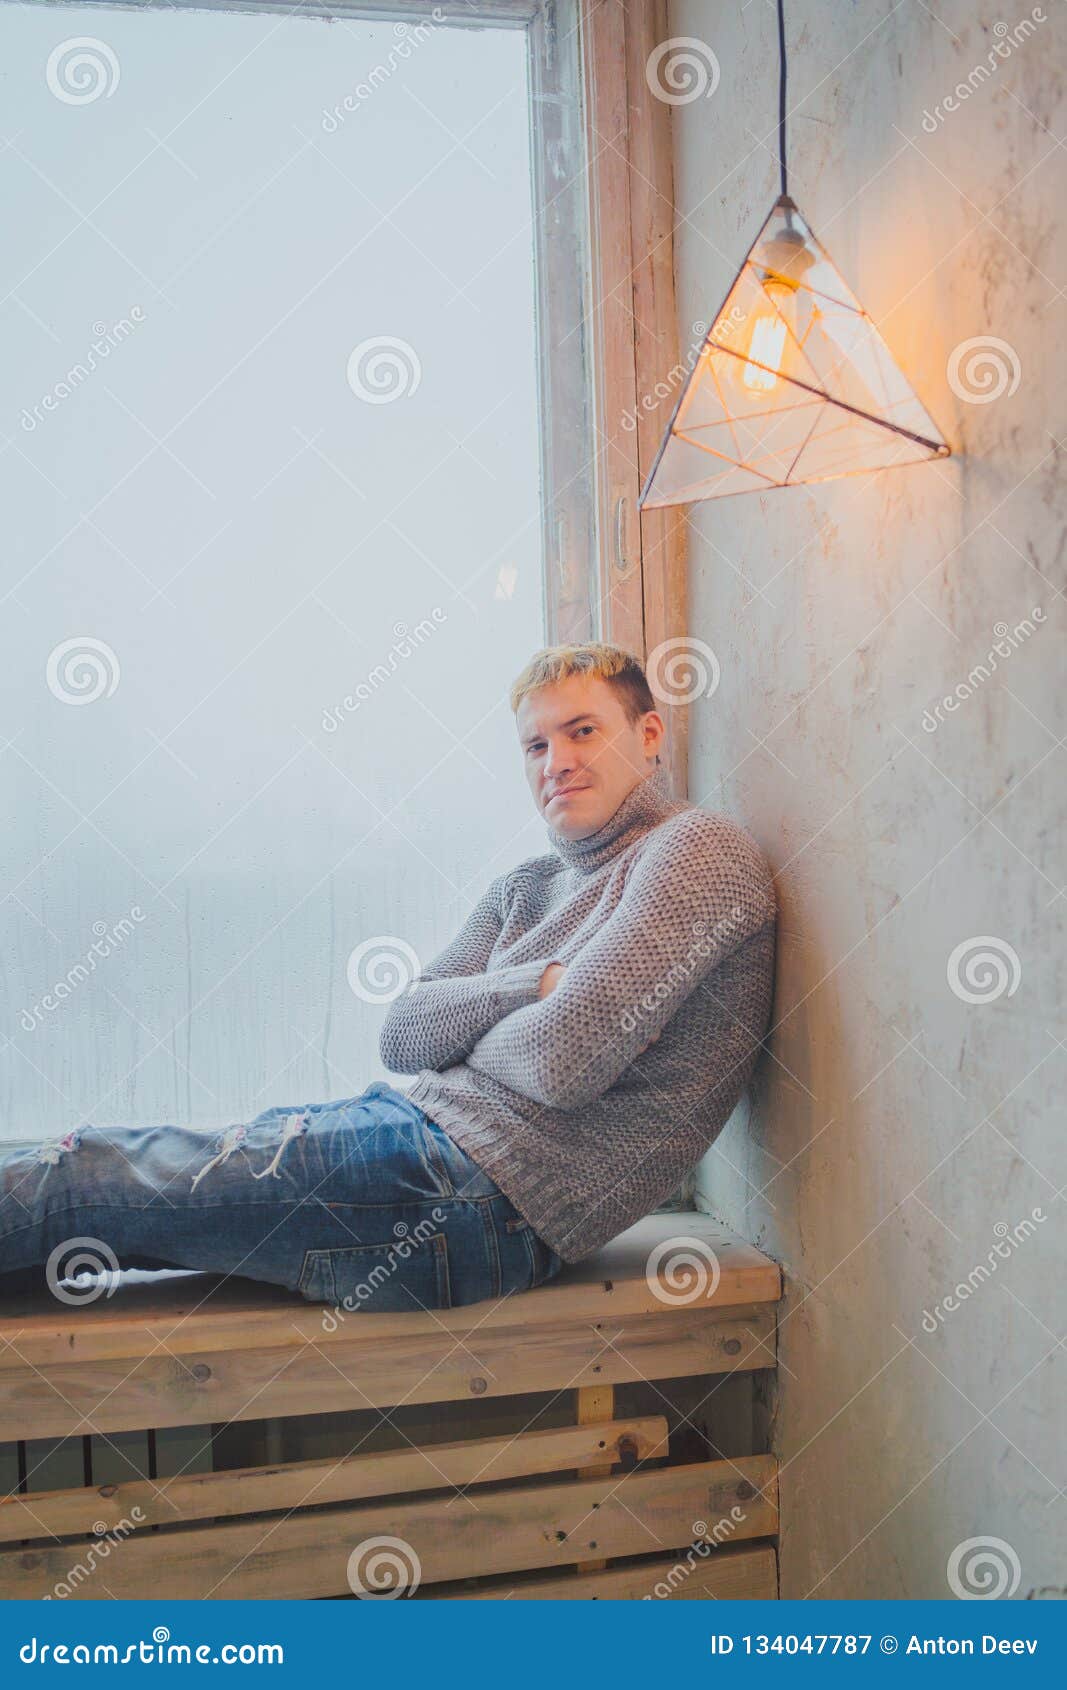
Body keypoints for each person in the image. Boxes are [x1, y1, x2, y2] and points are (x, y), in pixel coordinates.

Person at [0, 642, 776, 1315]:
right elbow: (403, 1034)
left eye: (582, 731)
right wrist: (530, 985)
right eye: (535, 746)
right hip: (417, 1145)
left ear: (647, 735)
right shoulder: (527, 886)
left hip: (475, 1197)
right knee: (86, 1171)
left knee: (81, 1181)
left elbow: (561, 1062)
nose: (558, 762)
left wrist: (478, 1033)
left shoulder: (695, 851)